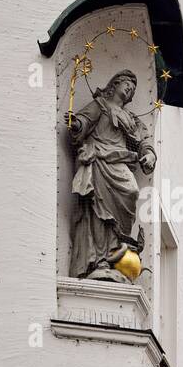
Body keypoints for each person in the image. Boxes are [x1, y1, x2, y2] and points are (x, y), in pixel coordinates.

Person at [68, 69, 155, 281]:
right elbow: (83, 121)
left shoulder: (132, 119)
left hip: (120, 162)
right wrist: (76, 123)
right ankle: (99, 260)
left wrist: (150, 155)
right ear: (114, 84)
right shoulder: (101, 105)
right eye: (127, 84)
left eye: (133, 88)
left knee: (131, 191)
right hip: (99, 160)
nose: (129, 89)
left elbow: (144, 142)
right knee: (98, 211)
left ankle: (116, 252)